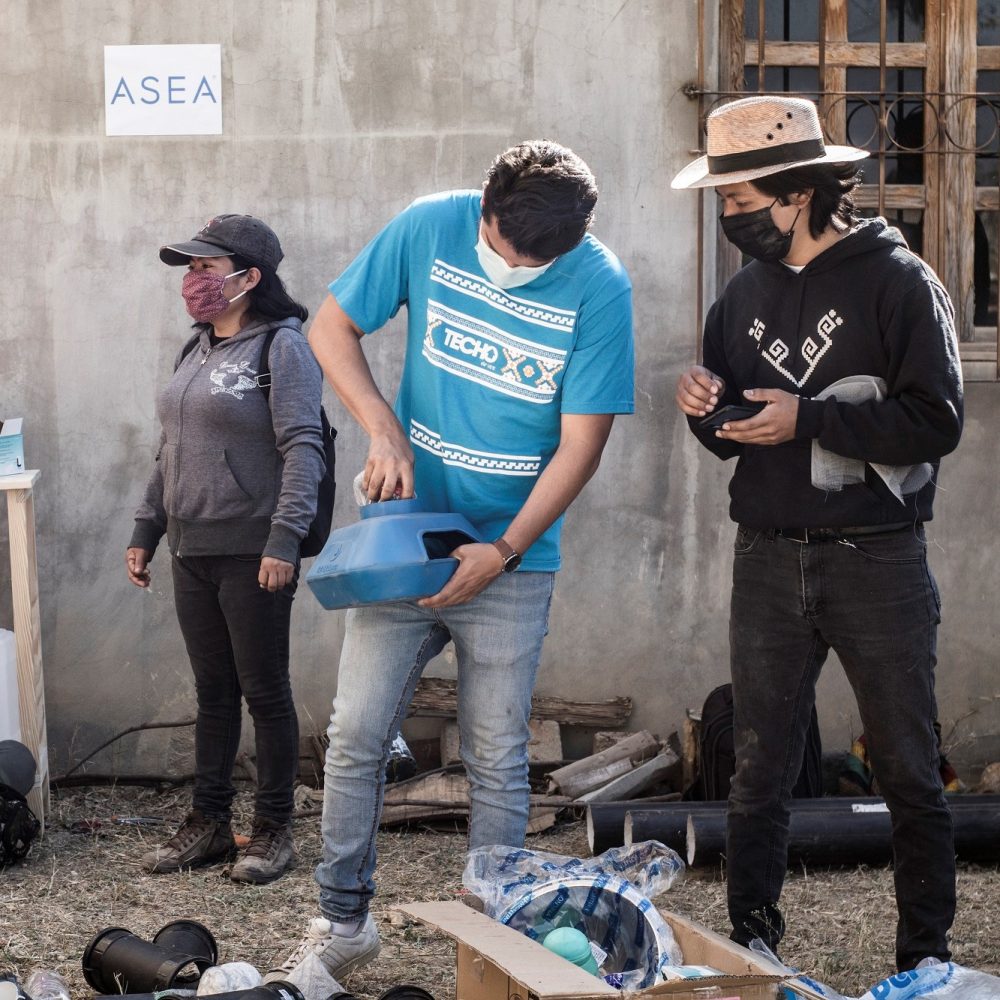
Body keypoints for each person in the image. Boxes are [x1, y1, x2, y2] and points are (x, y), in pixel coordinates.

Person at [268, 140, 634, 985]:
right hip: (406, 541)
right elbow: (330, 325)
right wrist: (382, 427)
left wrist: (503, 552)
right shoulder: (431, 225)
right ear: (485, 208)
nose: (517, 267)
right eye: (505, 248)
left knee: (499, 753)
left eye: (540, 260)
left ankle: (496, 939)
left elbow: (582, 445)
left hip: (515, 556)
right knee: (357, 735)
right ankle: (344, 922)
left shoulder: (600, 285)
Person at [671, 96, 963, 971]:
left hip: (877, 557)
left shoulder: (899, 281)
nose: (728, 218)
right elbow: (733, 423)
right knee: (758, 768)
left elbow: (935, 421)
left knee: (908, 769)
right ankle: (752, 944)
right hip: (765, 555)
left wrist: (810, 420)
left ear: (799, 193)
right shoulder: (742, 293)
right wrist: (705, 410)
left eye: (739, 201)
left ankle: (924, 959)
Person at [127, 214, 325, 885]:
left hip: (254, 550)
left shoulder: (283, 347)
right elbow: (169, 450)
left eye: (206, 268)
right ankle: (208, 824)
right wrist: (146, 528)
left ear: (249, 277)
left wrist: (284, 539)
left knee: (264, 692)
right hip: (190, 547)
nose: (193, 280)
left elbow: (305, 448)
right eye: (190, 268)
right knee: (214, 693)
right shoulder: (197, 350)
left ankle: (271, 831)